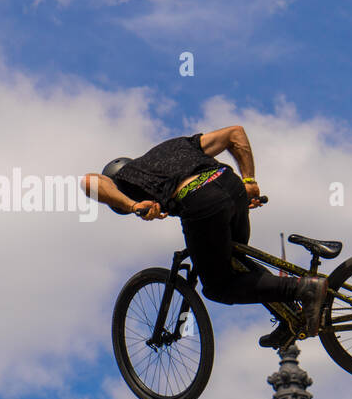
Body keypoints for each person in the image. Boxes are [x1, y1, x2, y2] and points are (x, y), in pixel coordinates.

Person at [81, 126, 327, 344]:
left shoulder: (126, 177)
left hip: (201, 200)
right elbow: (235, 134)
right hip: (230, 184)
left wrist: (131, 205)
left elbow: (88, 182)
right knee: (236, 263)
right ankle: (290, 316)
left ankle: (304, 288)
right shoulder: (174, 147)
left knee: (218, 287)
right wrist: (249, 180)